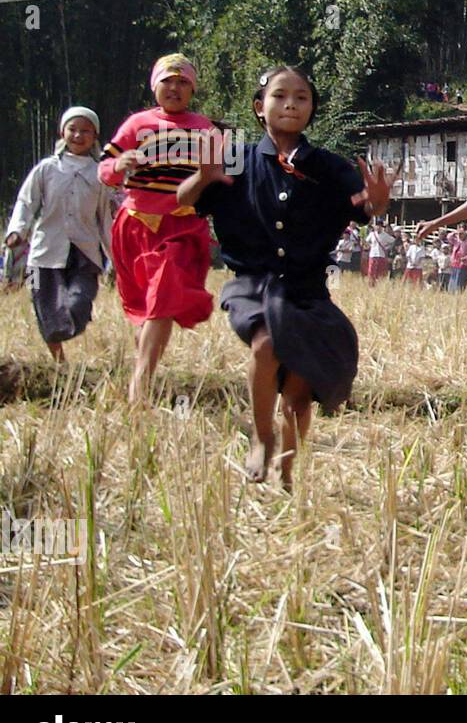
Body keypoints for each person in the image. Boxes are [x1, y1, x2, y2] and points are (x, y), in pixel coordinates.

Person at [177, 65, 391, 488]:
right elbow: (184, 202)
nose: (290, 103)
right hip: (251, 284)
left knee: (297, 385)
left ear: (311, 109)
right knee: (266, 344)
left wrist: (377, 202)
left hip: (306, 288)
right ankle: (260, 437)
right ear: (260, 107)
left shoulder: (329, 167)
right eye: (279, 96)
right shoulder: (233, 158)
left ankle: (288, 468)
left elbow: (364, 208)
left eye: (301, 97)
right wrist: (202, 176)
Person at [98, 53, 217, 404]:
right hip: (135, 226)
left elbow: (226, 173)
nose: (175, 88)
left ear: (192, 89)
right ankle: (145, 366)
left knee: (162, 300)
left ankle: (140, 385)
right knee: (144, 306)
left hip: (180, 228)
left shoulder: (204, 128)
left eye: (183, 82)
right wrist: (121, 163)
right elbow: (105, 170)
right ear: (155, 86)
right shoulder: (137, 125)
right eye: (168, 81)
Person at [5, 106, 114, 361]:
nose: (78, 135)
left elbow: (105, 220)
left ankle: (67, 332)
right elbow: (26, 201)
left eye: (85, 131)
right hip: (44, 253)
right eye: (72, 129)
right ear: (62, 132)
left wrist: (115, 258)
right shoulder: (46, 169)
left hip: (84, 253)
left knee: (79, 303)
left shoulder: (100, 175)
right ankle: (59, 362)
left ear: (95, 135)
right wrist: (17, 231)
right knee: (46, 308)